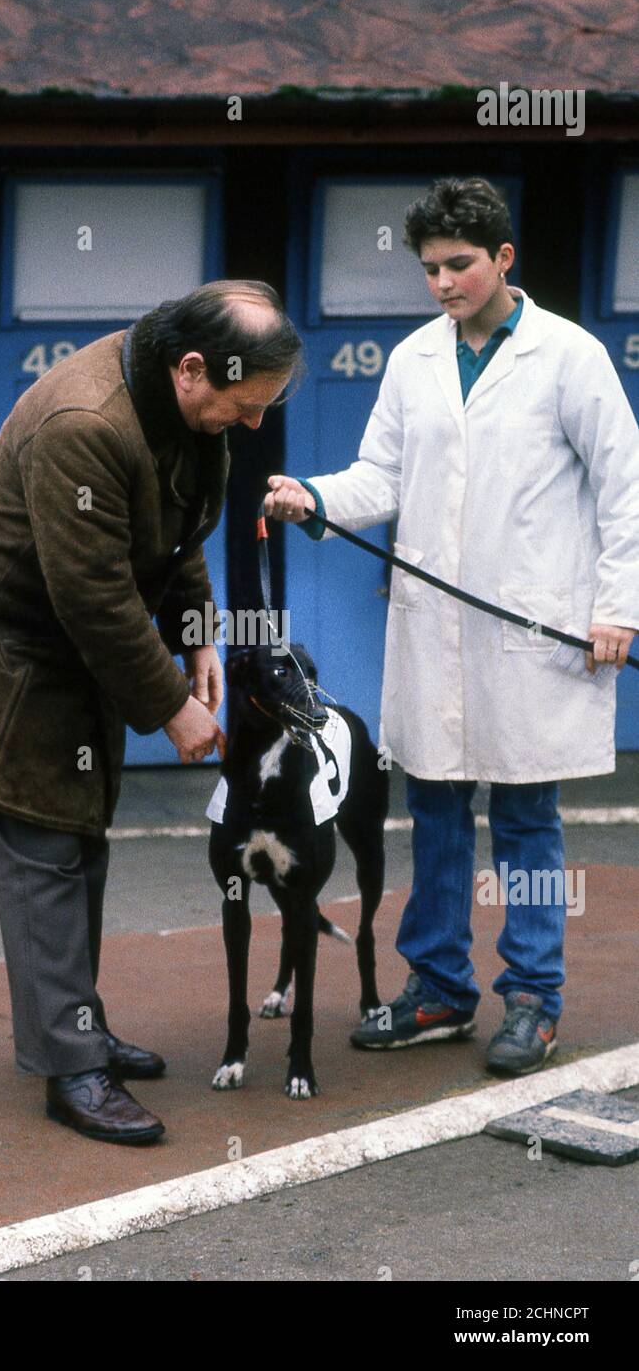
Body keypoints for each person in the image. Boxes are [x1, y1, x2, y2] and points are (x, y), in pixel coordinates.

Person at [0, 279, 301, 1143]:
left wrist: (196, 632)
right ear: (193, 368)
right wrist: (171, 708)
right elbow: (94, 594)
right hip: (7, 654)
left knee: (81, 834)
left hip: (75, 652)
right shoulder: (87, 422)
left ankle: (76, 1023)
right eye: (245, 405)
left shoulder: (190, 408)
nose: (255, 423)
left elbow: (182, 531)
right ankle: (70, 1070)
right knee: (45, 848)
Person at [265, 177, 638, 1076]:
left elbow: (625, 486)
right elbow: (380, 478)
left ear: (505, 258)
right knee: (433, 805)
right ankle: (436, 989)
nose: (443, 283)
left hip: (533, 625)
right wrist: (312, 496)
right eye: (430, 269)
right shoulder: (414, 361)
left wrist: (616, 609)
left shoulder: (570, 356)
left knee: (526, 818)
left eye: (460, 265)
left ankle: (534, 999)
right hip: (436, 629)